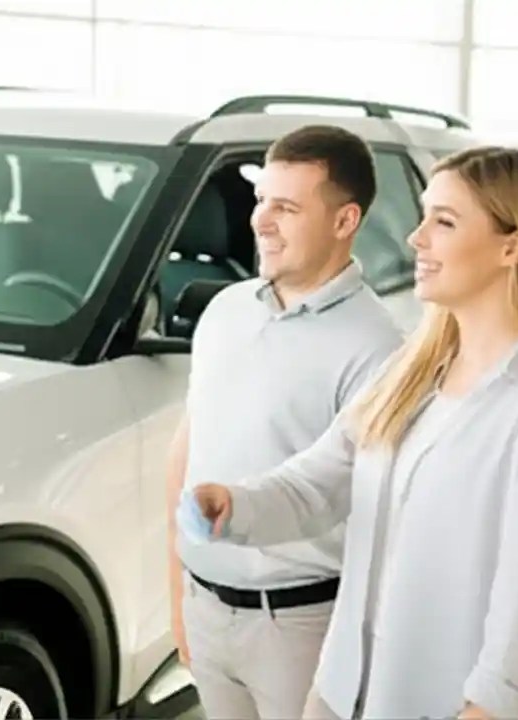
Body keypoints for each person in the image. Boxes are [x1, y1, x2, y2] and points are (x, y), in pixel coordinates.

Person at [192, 146, 518, 720]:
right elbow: (317, 484)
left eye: (443, 221)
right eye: (423, 217)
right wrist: (234, 506)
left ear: (512, 246)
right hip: (347, 692)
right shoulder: (410, 371)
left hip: (465, 707)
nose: (416, 239)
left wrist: (485, 707)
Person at [166, 125, 405, 720]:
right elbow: (188, 450)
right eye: (261, 201)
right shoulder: (224, 310)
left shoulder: (378, 348)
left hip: (300, 628)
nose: (260, 221)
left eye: (286, 207)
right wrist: (178, 596)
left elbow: (348, 496)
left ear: (345, 221)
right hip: (205, 606)